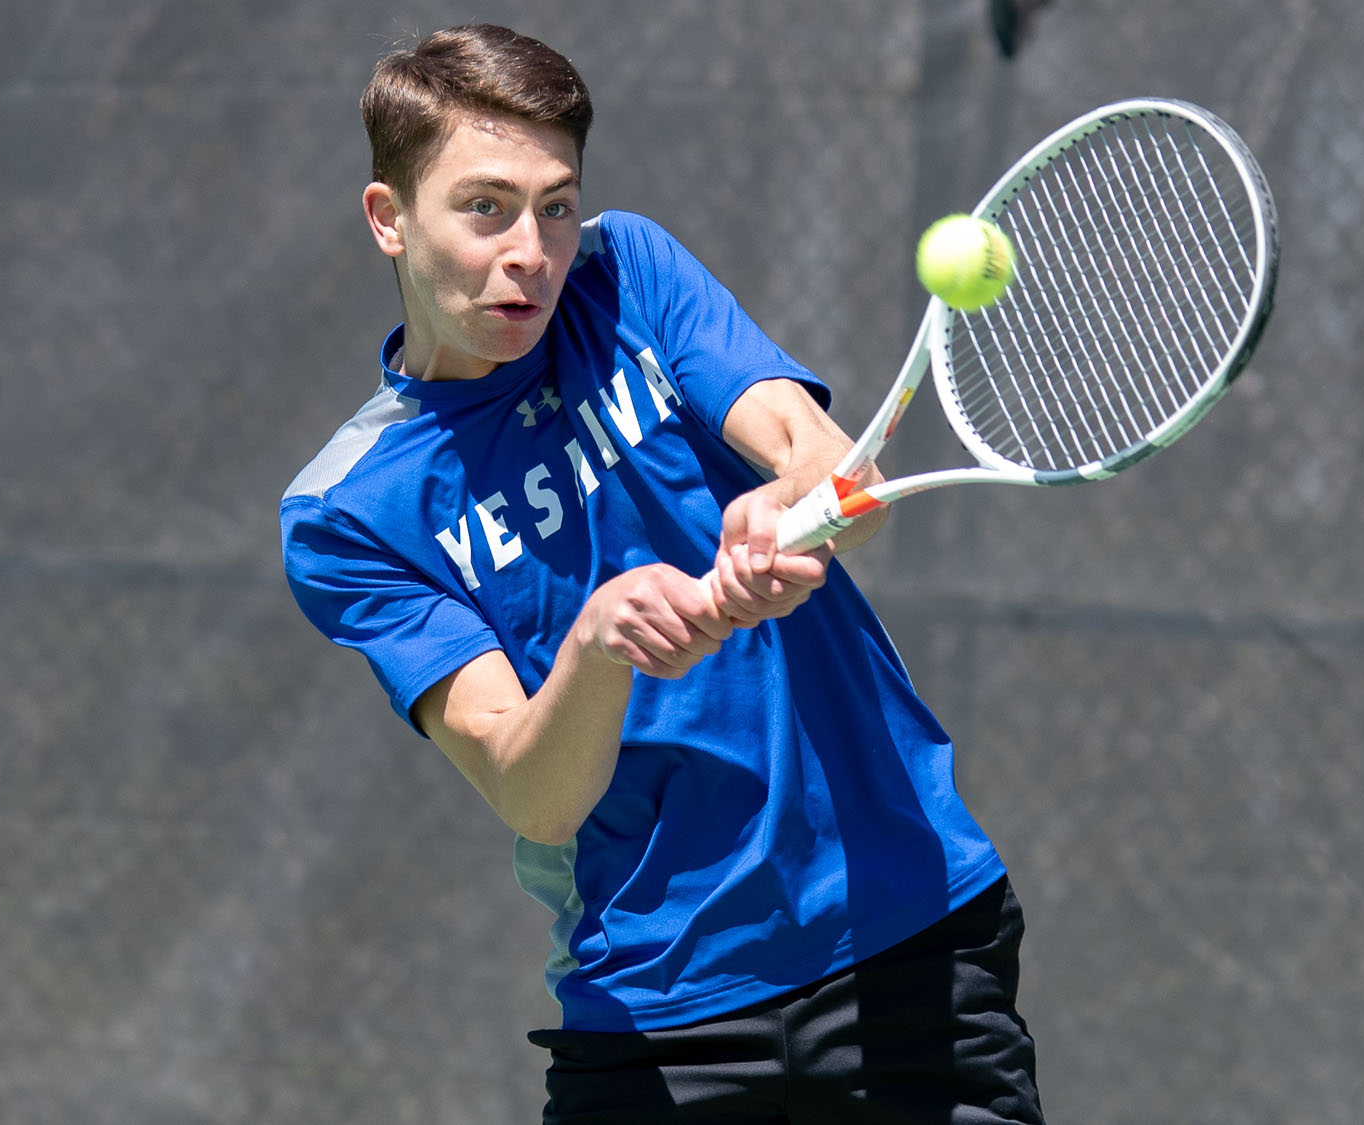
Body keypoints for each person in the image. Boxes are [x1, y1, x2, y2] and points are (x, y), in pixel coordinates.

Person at [279, 23, 1043, 1124]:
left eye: (553, 203)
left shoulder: (625, 272)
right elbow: (531, 793)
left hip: (907, 934)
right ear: (388, 219)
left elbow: (818, 463)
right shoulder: (348, 511)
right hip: (657, 1010)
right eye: (484, 207)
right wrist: (597, 643)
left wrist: (790, 515)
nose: (530, 252)